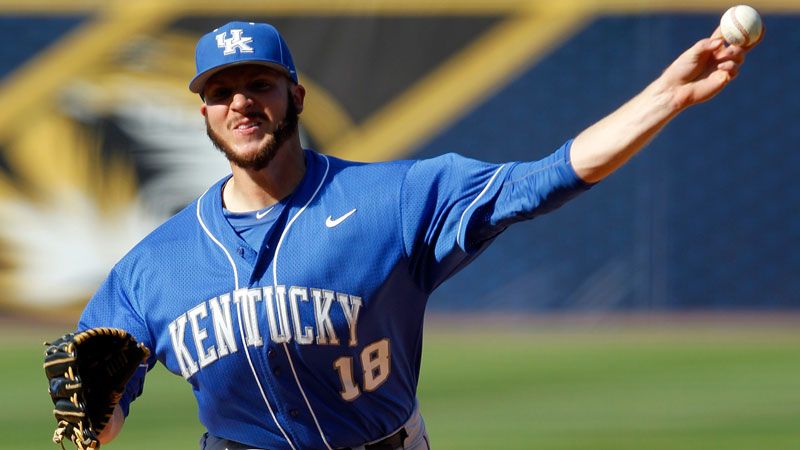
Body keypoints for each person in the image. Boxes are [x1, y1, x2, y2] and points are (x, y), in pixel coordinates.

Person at [74, 20, 757, 450]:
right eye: (222, 92)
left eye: (260, 84)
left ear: (296, 97)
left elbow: (545, 179)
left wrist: (667, 95)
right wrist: (87, 417)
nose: (241, 102)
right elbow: (95, 425)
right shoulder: (151, 268)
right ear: (204, 113)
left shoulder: (394, 200)